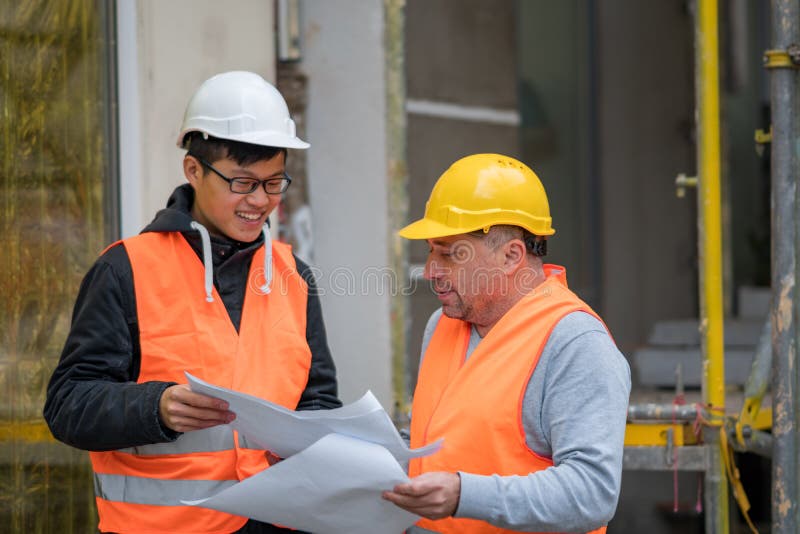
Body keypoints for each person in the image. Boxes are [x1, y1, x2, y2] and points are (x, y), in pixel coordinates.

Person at [43, 71, 341, 534]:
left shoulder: (293, 275)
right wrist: (155, 408)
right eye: (242, 182)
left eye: (273, 182)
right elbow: (67, 405)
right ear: (194, 170)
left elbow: (317, 402)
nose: (260, 201)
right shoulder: (125, 270)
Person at [383, 153, 631, 533]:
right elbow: (434, 441)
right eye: (431, 251)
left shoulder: (574, 342)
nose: (431, 271)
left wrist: (464, 495)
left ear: (511, 255)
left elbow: (591, 493)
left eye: (450, 254)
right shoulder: (444, 324)